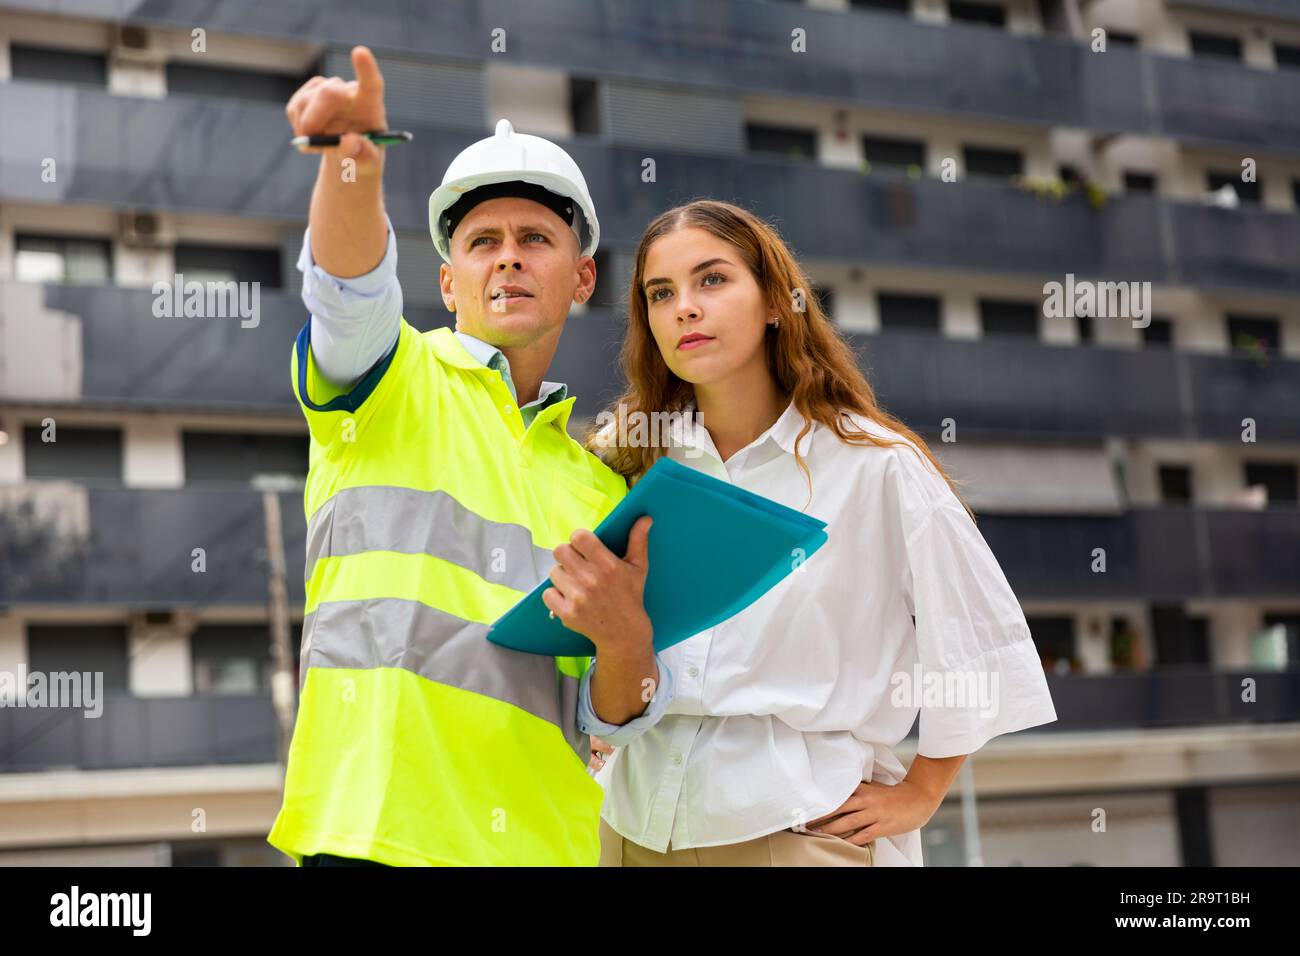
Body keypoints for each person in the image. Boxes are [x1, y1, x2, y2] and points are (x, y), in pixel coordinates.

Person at [267, 46, 672, 867]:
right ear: (449, 283)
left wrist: (629, 642)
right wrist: (354, 166)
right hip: (372, 839)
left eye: (534, 238)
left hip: (544, 850)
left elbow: (608, 722)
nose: (509, 256)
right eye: (482, 241)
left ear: (583, 275)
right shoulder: (386, 383)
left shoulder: (603, 488)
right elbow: (347, 288)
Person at [581, 199, 1058, 867]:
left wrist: (923, 789)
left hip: (799, 828)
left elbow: (984, 643)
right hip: (627, 829)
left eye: (712, 280)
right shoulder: (626, 463)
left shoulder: (876, 466)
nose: (685, 307)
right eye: (661, 293)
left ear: (775, 302)